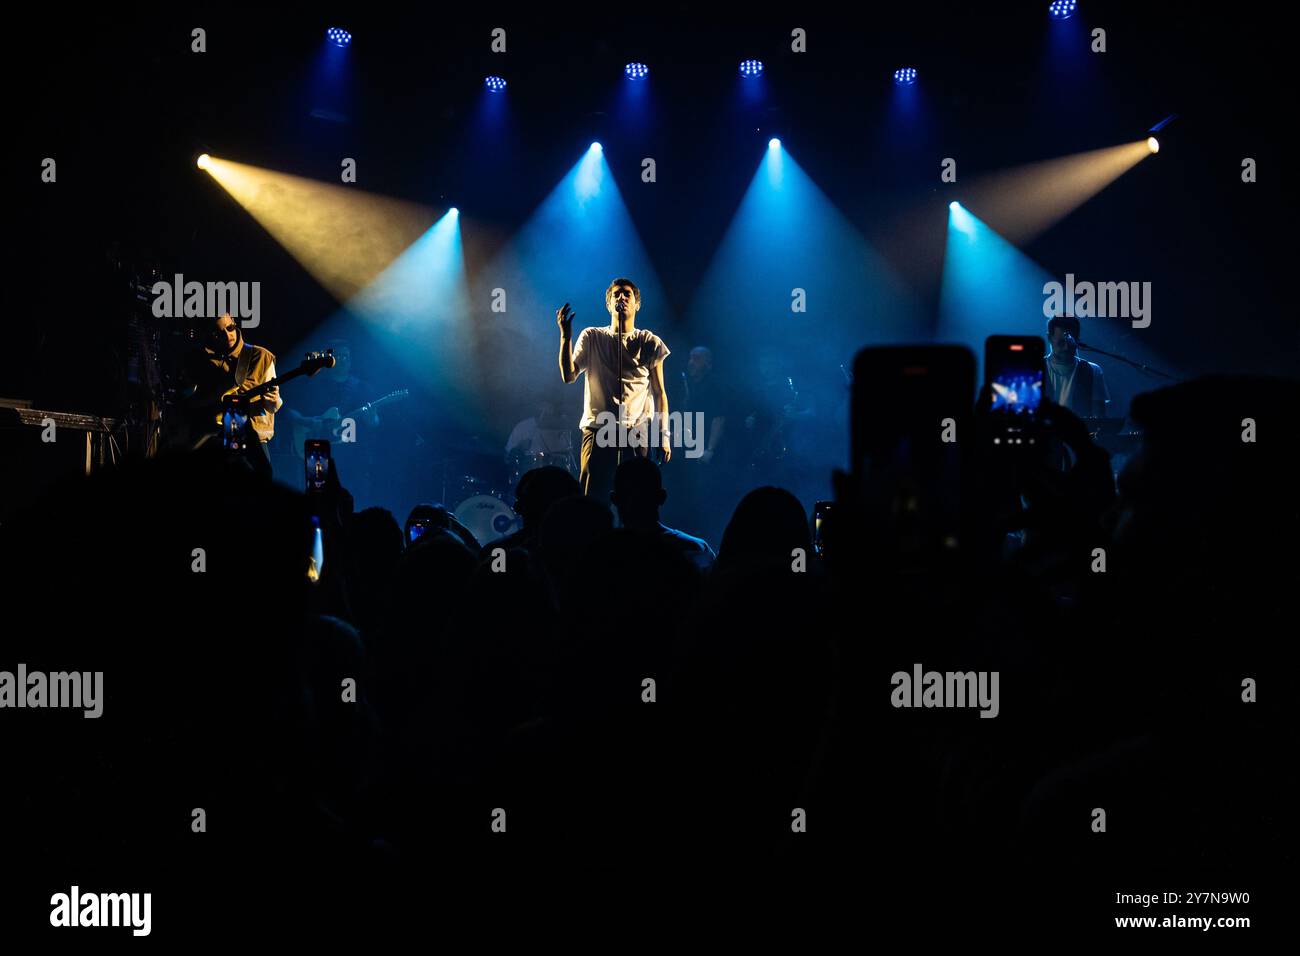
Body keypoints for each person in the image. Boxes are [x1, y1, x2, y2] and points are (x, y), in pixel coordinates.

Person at [557, 277, 671, 501]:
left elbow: (659, 393)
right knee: (593, 500)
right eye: (616, 294)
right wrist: (565, 336)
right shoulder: (592, 337)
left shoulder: (649, 341)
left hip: (636, 433)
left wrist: (663, 436)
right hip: (599, 430)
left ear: (637, 304)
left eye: (627, 294)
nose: (622, 297)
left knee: (636, 499)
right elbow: (569, 375)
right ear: (608, 304)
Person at [175, 312, 281, 477]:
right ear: (211, 335)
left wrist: (274, 403)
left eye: (230, 327)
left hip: (253, 440)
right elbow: (188, 400)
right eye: (219, 332)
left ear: (234, 323)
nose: (228, 335)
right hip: (214, 440)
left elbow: (273, 403)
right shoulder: (201, 360)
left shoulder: (261, 357)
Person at [612, 457, 715, 573]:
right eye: (630, 495)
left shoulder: (602, 552)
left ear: (614, 499)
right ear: (662, 497)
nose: (634, 501)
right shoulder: (695, 549)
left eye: (641, 495)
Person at [1045, 316, 1110, 418]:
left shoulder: (1093, 370)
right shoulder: (1035, 368)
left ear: (1077, 340)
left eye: (1070, 343)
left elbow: (1100, 418)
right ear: (1049, 338)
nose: (1066, 347)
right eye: (1061, 342)